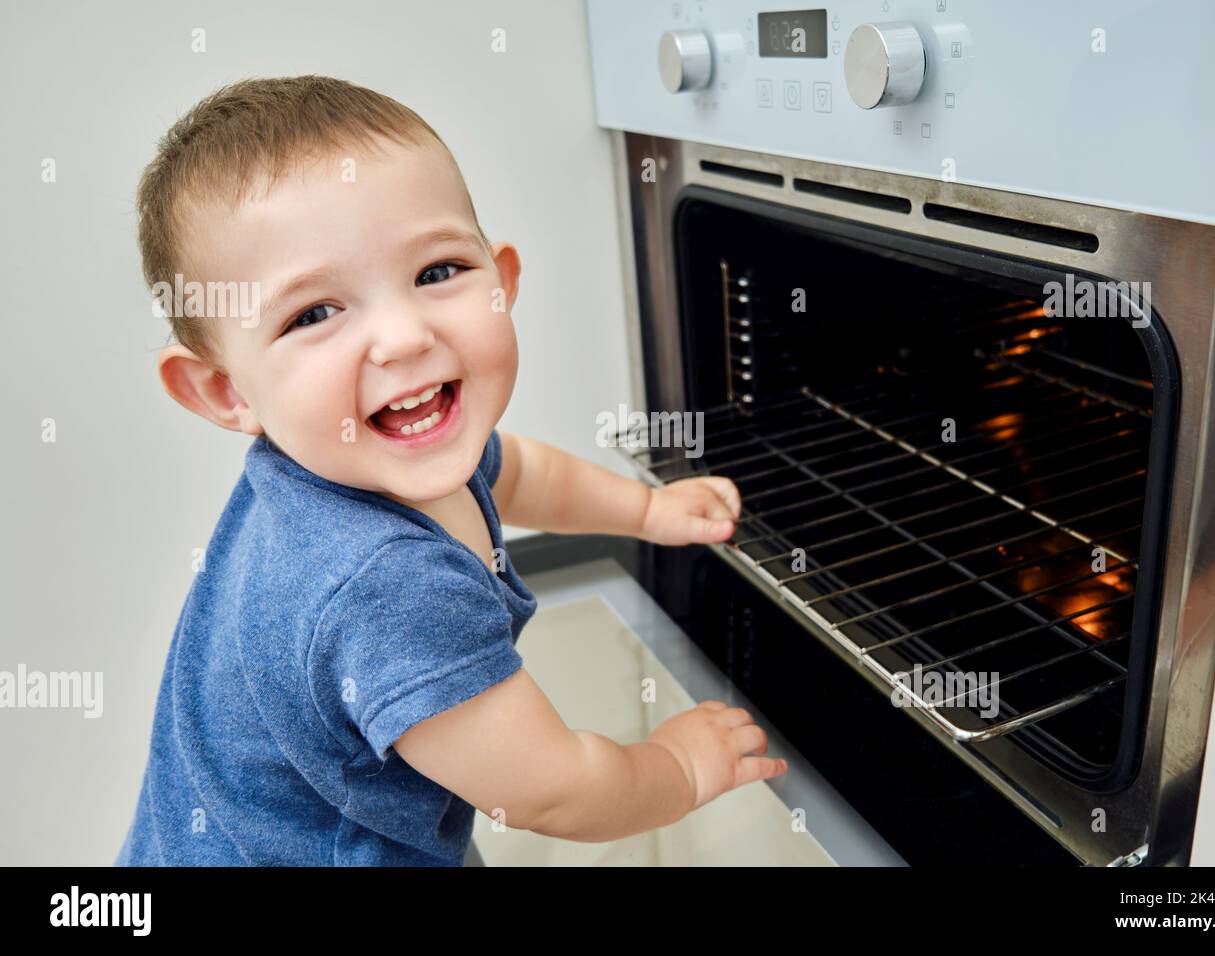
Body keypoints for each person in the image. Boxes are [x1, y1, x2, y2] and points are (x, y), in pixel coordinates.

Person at [116, 75, 786, 866]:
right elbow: (550, 788)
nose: (402, 336)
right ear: (225, 389)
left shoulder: (366, 460)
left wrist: (646, 513)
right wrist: (674, 768)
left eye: (437, 272)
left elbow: (522, 475)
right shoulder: (380, 586)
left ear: (501, 281)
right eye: (314, 314)